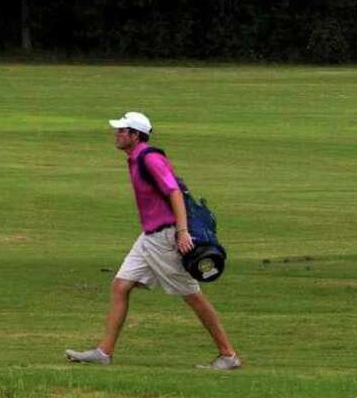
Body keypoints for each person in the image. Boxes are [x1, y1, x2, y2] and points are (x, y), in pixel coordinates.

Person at [67, 110, 241, 370]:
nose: (116, 134)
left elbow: (174, 193)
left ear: (136, 136)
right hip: (149, 236)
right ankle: (104, 353)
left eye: (122, 131)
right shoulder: (136, 159)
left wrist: (182, 232)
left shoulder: (150, 159)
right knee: (120, 286)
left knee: (192, 295)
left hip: (164, 237)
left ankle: (228, 355)